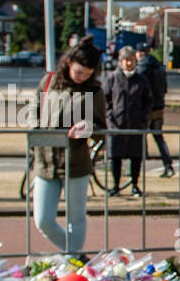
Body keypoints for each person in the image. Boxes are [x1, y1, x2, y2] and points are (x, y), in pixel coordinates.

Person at [31, 36, 108, 253]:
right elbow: (34, 110)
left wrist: (87, 129)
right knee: (43, 220)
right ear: (68, 63)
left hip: (76, 162)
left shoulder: (95, 91)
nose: (82, 77)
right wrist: (34, 133)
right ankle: (74, 255)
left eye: (88, 74)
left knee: (76, 217)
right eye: (79, 72)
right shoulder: (49, 82)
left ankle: (72, 260)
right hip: (45, 160)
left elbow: (102, 130)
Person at [105, 45, 152, 197]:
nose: (129, 63)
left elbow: (148, 100)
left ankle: (135, 185)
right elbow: (105, 100)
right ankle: (115, 186)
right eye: (126, 60)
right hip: (116, 125)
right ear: (120, 61)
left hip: (135, 125)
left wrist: (143, 119)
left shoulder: (141, 79)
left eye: (131, 60)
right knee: (115, 157)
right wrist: (109, 118)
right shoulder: (112, 78)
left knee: (136, 157)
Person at [135, 42, 175, 177]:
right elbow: (165, 88)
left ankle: (136, 169)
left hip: (145, 108)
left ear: (139, 53)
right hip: (159, 107)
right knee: (158, 137)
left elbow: (138, 89)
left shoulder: (141, 68)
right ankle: (168, 165)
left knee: (140, 137)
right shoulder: (159, 67)